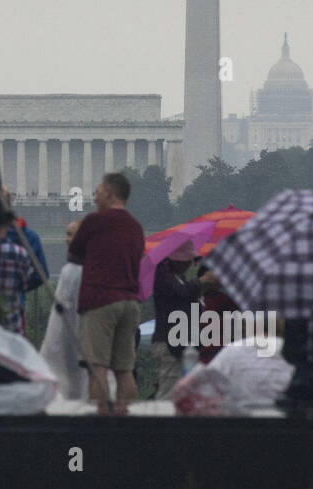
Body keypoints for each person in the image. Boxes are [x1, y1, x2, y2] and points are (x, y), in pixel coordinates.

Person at [67, 172, 146, 415]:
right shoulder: (136, 227)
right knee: (124, 368)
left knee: (97, 366)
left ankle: (101, 415)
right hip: (129, 303)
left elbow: (74, 253)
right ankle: (124, 414)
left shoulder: (94, 222)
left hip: (100, 301)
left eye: (98, 191)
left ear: (110, 194)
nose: (94, 195)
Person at [151, 243, 218, 398]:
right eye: (187, 260)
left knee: (179, 392)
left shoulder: (177, 277)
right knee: (169, 392)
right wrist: (202, 281)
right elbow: (180, 293)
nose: (189, 264)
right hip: (168, 343)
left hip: (179, 342)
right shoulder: (162, 273)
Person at [40, 218, 88, 399]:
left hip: (68, 345)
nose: (66, 240)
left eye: (70, 235)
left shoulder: (73, 271)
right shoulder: (75, 270)